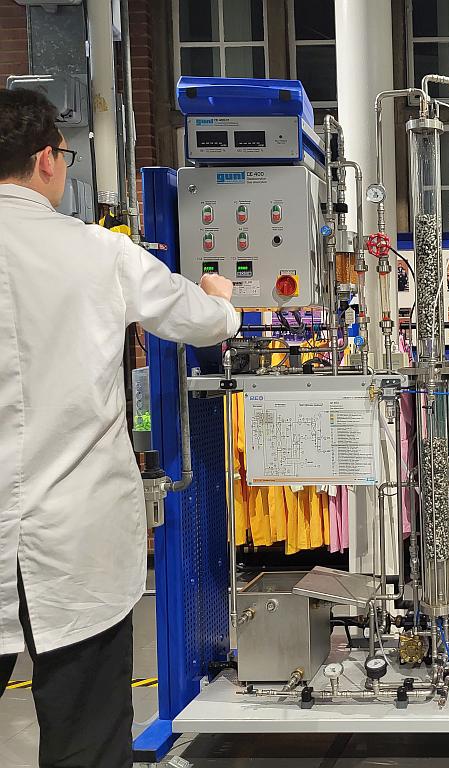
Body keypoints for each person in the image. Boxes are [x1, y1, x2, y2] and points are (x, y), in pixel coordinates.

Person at [0, 88, 239, 767]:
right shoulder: (100, 253)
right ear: (48, 159)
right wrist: (221, 300)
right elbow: (200, 320)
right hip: (76, 543)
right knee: (85, 737)